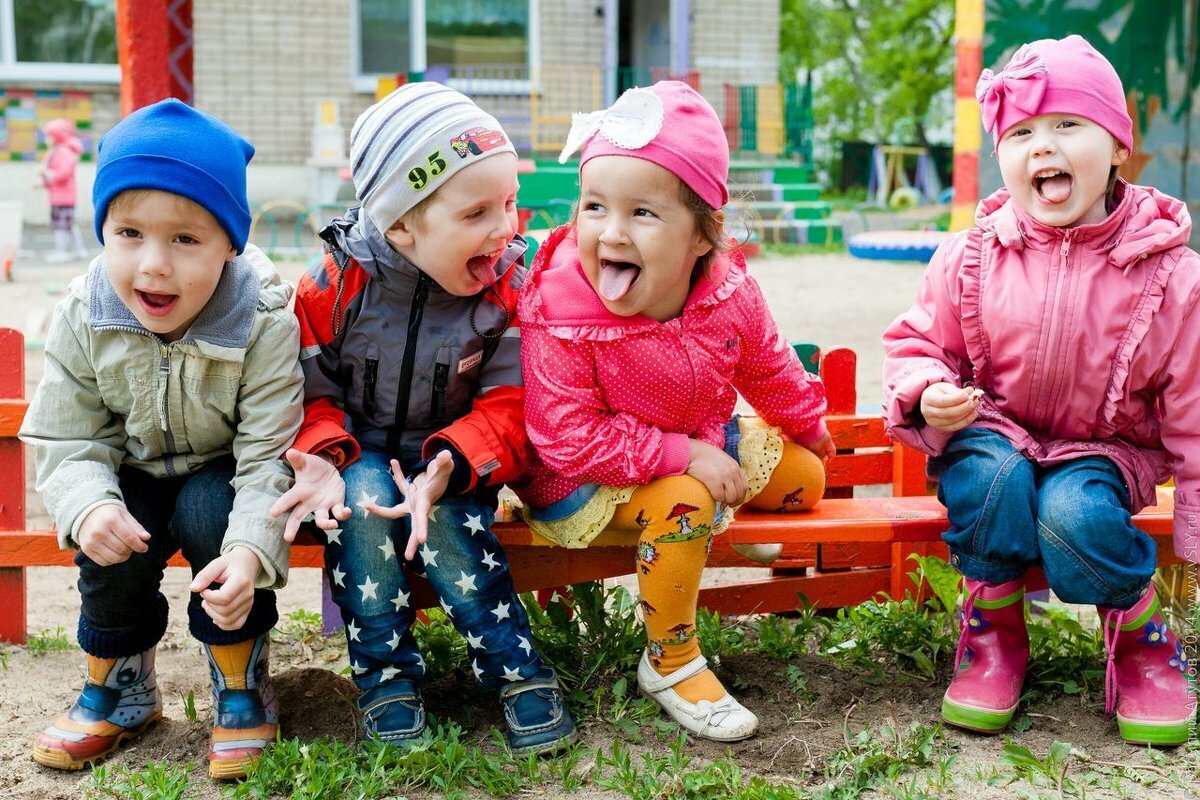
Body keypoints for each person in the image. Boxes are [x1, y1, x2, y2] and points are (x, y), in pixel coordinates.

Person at [883, 35, 1197, 745]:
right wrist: (929, 389)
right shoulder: (972, 254)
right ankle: (994, 630)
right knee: (990, 480)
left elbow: (1195, 413)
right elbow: (918, 342)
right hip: (998, 429)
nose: (1041, 147)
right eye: (1020, 132)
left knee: (1072, 517)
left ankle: (1141, 635)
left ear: (1119, 145)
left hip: (1102, 448)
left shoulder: (1171, 276)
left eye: (1067, 126)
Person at [515, 81, 834, 742]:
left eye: (642, 214)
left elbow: (769, 363)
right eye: (594, 206)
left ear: (702, 236)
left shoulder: (726, 289)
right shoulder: (560, 309)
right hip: (586, 479)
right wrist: (681, 455)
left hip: (696, 439)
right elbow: (565, 438)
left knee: (806, 478)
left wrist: (805, 421)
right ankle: (670, 658)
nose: (609, 231)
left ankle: (710, 515)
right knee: (686, 499)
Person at [270, 82, 576, 754]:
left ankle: (514, 666)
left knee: (441, 508)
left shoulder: (505, 292)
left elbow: (511, 404)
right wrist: (326, 455)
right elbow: (306, 396)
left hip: (452, 457)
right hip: (352, 461)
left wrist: (454, 459)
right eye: (477, 214)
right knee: (366, 499)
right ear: (401, 225)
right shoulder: (331, 289)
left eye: (509, 204)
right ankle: (385, 680)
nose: (505, 229)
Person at [19, 99, 304, 777]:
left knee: (213, 519)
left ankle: (240, 685)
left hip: (226, 472)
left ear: (230, 242)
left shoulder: (263, 320)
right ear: (103, 232)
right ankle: (120, 689)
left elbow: (269, 455)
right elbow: (67, 432)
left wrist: (248, 553)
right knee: (114, 526)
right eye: (128, 232)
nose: (153, 265)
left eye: (185, 239)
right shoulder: (85, 313)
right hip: (134, 468)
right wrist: (88, 504)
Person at [37, 117, 89, 262]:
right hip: (61, 195)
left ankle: (61, 251)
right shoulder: (58, 150)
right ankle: (80, 250)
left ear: (57, 135)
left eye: (49, 135)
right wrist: (43, 182)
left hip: (63, 196)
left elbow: (64, 173)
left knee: (61, 226)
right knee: (69, 224)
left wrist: (46, 174)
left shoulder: (64, 152)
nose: (47, 138)